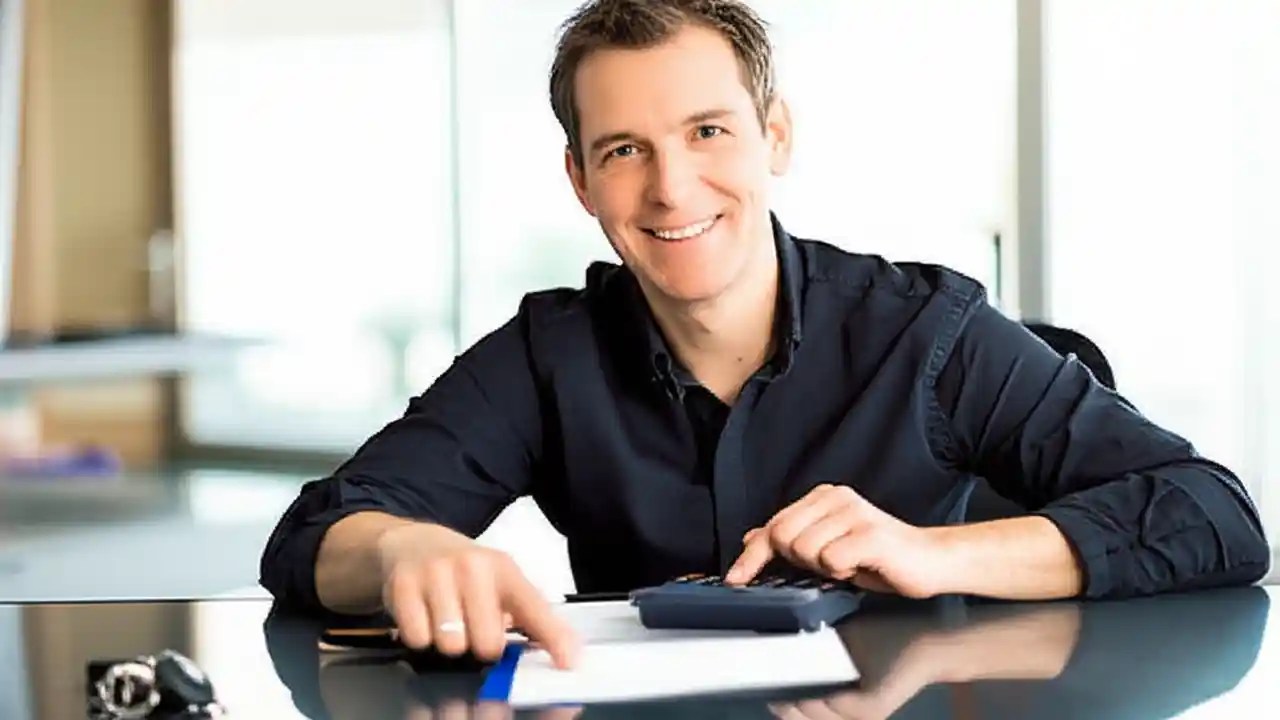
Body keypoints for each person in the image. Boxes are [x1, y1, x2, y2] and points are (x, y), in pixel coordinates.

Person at [259, 0, 1270, 670]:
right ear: (580, 180)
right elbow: (315, 534)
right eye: (624, 150)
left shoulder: (926, 332)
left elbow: (1213, 514)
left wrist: (933, 554)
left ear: (772, 135)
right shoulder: (546, 355)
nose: (670, 188)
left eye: (707, 131)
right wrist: (402, 550)